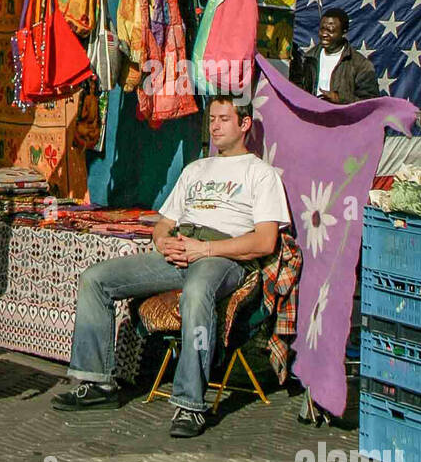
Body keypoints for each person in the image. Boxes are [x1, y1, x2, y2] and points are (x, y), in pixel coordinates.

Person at [54, 94, 290, 438]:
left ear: (245, 124)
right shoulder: (196, 169)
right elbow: (165, 221)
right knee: (96, 278)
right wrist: (163, 240)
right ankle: (96, 385)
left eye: (224, 119)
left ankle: (190, 404)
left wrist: (205, 249)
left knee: (196, 292)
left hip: (224, 256)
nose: (215, 125)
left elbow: (264, 242)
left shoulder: (261, 173)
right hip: (182, 248)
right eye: (212, 119)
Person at [288, 7, 378, 104]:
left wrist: (339, 99)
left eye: (330, 31)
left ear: (344, 32)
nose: (324, 34)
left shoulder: (360, 64)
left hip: (342, 117)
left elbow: (370, 103)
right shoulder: (309, 58)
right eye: (322, 29)